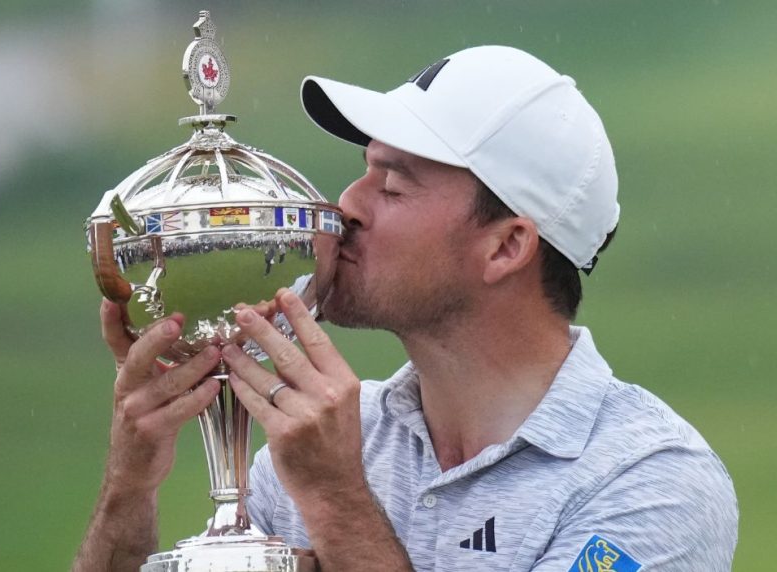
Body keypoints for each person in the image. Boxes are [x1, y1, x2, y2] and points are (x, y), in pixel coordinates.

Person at [74, 46, 738, 571]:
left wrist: (337, 501)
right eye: (363, 170)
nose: (347, 206)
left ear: (506, 246)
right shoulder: (317, 442)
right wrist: (128, 492)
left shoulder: (652, 481)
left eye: (392, 185)